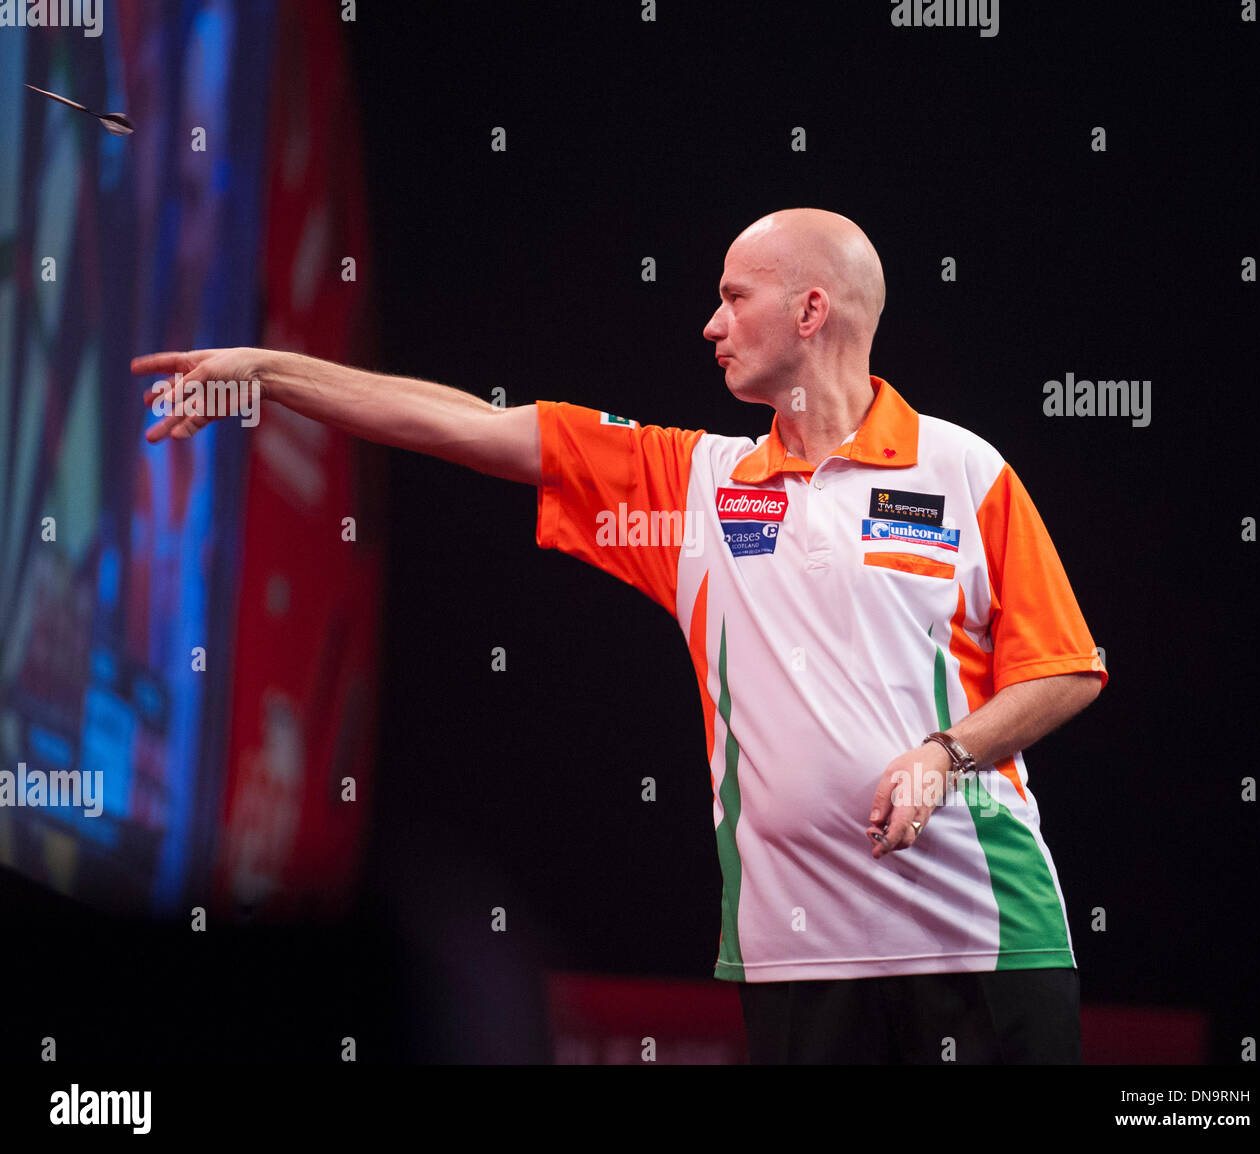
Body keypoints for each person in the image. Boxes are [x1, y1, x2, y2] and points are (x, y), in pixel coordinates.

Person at [133, 207, 1106, 1064]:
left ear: (812, 311)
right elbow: (469, 425)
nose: (710, 323)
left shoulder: (962, 471)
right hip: (799, 958)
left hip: (985, 936)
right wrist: (268, 371)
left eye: (734, 297)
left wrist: (945, 752)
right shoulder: (690, 486)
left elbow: (1064, 669)